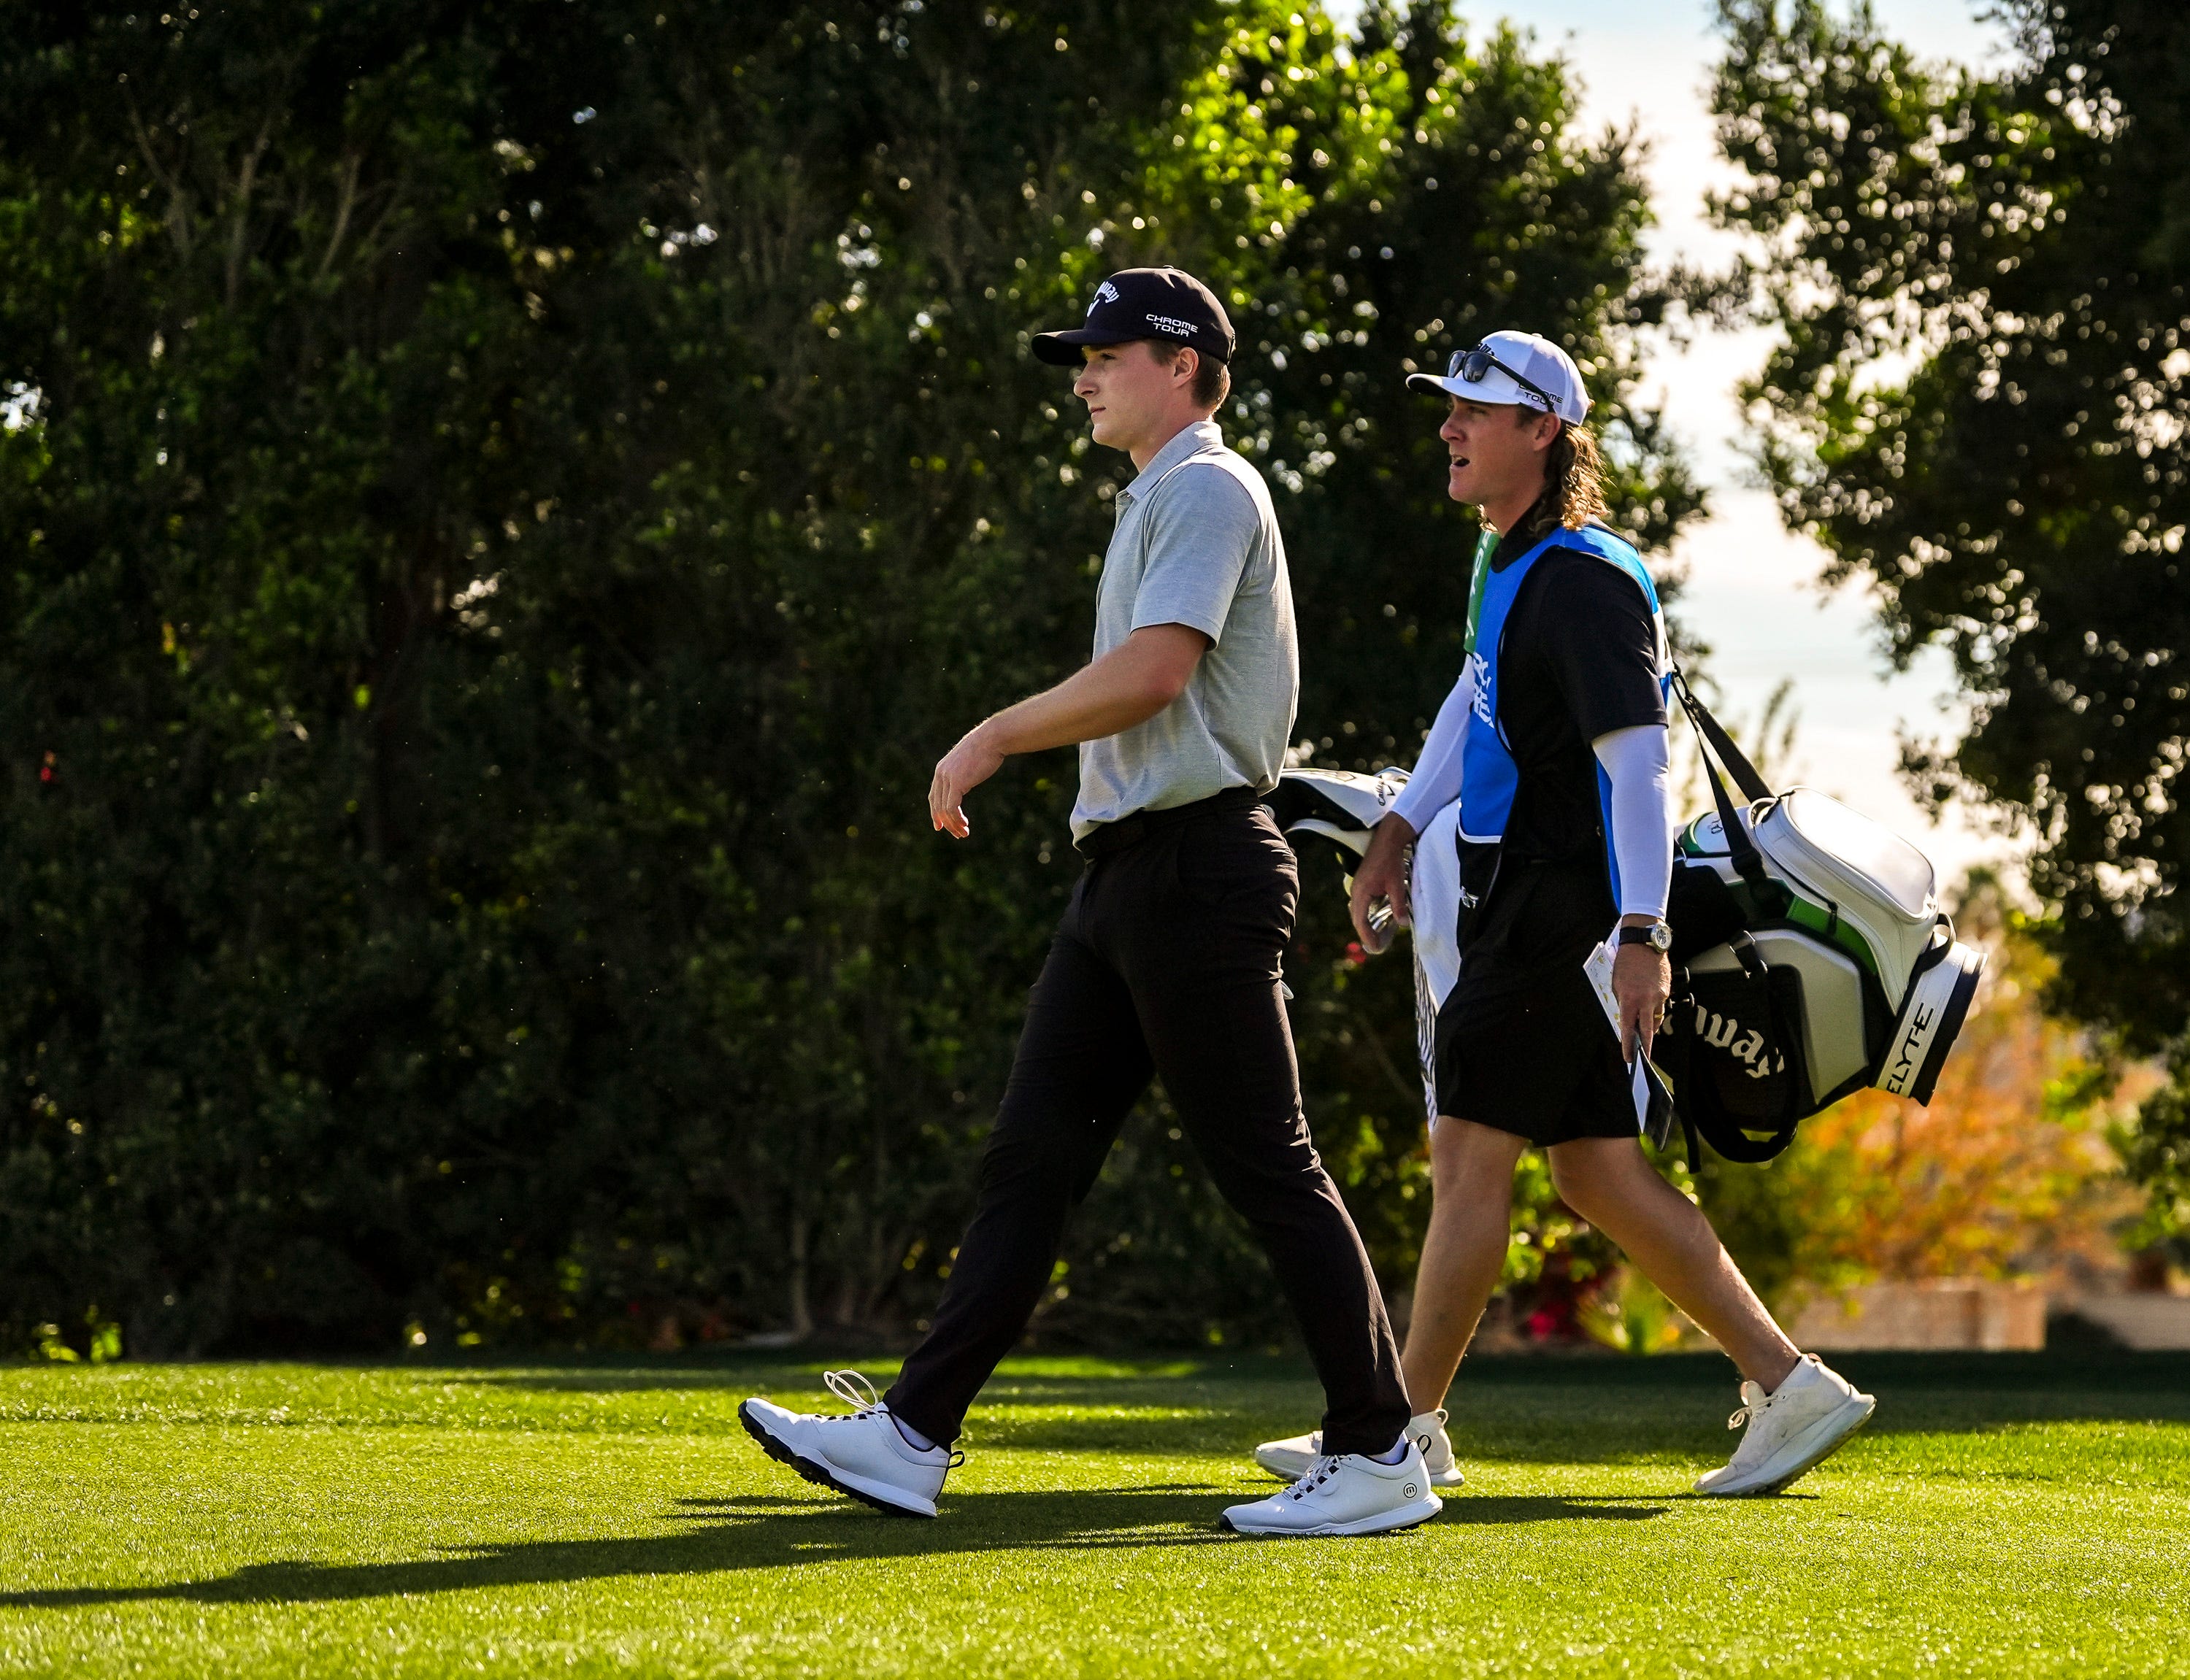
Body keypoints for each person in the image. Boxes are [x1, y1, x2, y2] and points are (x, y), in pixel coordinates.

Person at [740, 267, 1441, 1537]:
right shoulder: (1151, 502)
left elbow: (1157, 674)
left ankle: (1381, 1446)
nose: (1083, 373)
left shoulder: (1212, 487)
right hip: (1127, 875)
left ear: (1180, 365)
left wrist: (993, 736)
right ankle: (912, 1435)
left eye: (1105, 353)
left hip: (1202, 867)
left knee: (1268, 1162)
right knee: (1033, 1158)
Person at [1253, 331, 1876, 1498]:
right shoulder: (1509, 562)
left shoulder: (1586, 579)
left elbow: (1639, 769)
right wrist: (1398, 826)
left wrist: (1641, 935)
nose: (1448, 426)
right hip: (1535, 904)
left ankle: (1390, 1438)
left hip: (1565, 912)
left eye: (1474, 411)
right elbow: (1471, 699)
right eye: (1446, 407)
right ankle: (1790, 1385)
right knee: (1593, 1173)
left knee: (1467, 1156)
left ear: (1544, 431)